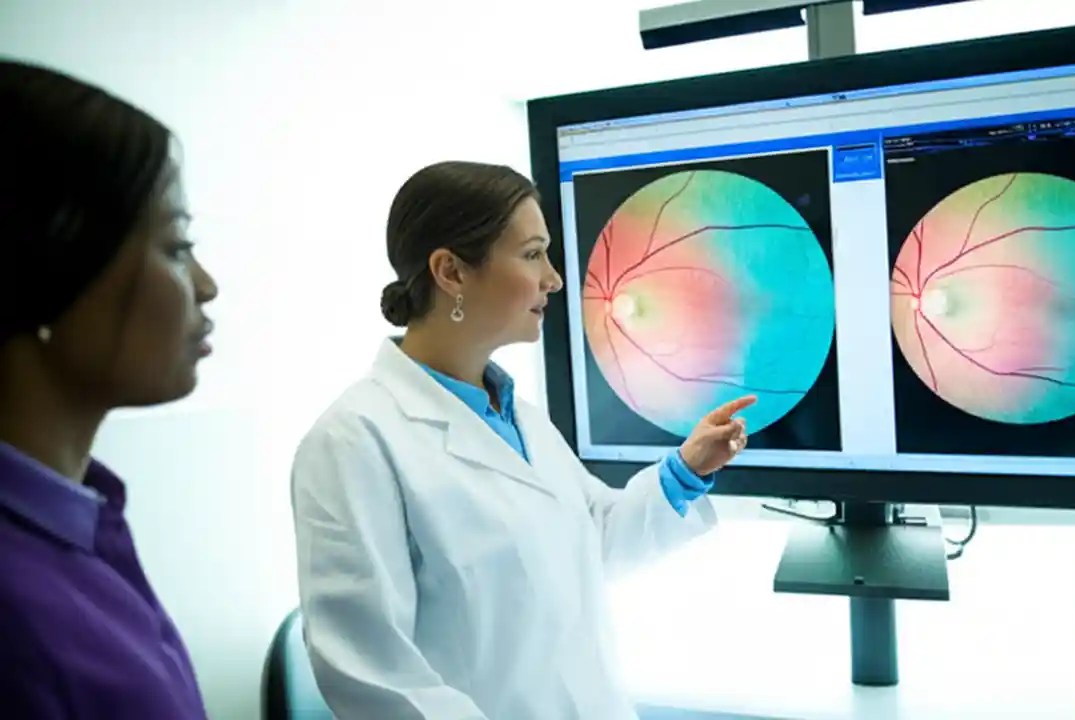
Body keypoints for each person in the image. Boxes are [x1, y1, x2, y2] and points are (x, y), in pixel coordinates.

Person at [291, 160, 752, 719]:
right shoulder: (355, 441)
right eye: (533, 254)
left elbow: (590, 542)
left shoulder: (519, 418)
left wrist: (684, 471)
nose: (554, 278)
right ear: (452, 272)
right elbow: (371, 673)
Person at [0, 61, 218, 718]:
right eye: (177, 246)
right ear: (47, 267)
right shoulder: (15, 614)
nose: (205, 285)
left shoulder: (77, 514)